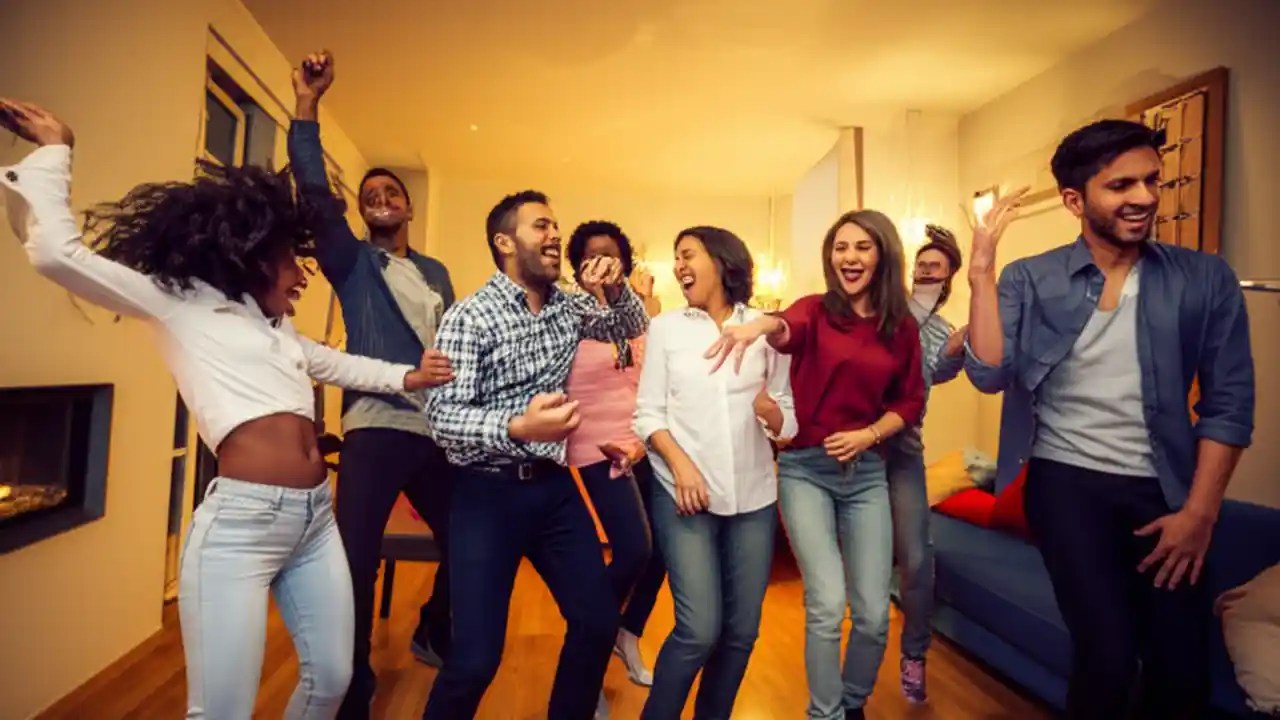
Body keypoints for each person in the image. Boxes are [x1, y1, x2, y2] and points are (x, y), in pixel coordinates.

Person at [0, 98, 452, 720]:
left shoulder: (279, 333)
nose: (302, 277)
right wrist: (56, 149)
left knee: (331, 681)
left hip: (314, 521)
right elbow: (59, 255)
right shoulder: (180, 304)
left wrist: (409, 374)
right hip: (242, 528)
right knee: (223, 711)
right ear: (255, 254)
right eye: (295, 263)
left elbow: (344, 365)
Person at [964, 119, 1255, 720]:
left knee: (1181, 668)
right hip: (1064, 484)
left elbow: (1229, 402)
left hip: (1168, 491)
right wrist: (982, 274)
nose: (1145, 197)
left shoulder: (1205, 279)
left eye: (1152, 180)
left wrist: (1199, 515)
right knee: (1108, 654)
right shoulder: (1031, 277)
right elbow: (990, 373)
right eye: (1121, 185)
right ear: (1076, 200)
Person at [421, 191, 647, 720]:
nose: (554, 236)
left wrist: (614, 287)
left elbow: (624, 326)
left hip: (552, 488)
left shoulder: (568, 305)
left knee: (595, 622)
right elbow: (442, 419)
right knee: (475, 660)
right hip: (485, 495)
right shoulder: (469, 317)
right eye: (541, 226)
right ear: (505, 243)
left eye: (555, 226)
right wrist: (518, 426)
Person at [287, 51, 458, 718]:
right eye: (370, 197)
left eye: (391, 194)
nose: (381, 201)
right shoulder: (351, 261)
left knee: (473, 541)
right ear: (361, 213)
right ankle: (352, 686)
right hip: (373, 428)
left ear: (408, 205)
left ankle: (433, 629)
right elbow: (313, 192)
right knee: (353, 561)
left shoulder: (439, 271)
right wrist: (308, 105)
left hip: (434, 429)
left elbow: (449, 349)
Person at [708, 210, 925, 720]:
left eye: (862, 247)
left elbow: (911, 401)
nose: (848, 257)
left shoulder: (901, 326)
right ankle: (824, 715)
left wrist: (871, 433)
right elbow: (786, 327)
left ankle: (851, 705)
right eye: (840, 247)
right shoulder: (815, 310)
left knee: (873, 615)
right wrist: (757, 325)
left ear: (883, 255)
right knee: (827, 603)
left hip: (867, 475)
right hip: (806, 471)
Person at [634, 226, 797, 720]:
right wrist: (681, 466)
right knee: (699, 628)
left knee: (742, 632)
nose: (679, 266)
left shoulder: (766, 330)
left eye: (688, 255)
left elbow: (789, 417)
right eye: (676, 257)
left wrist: (773, 414)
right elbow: (647, 414)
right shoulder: (666, 328)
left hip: (754, 497)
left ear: (722, 262)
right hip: (684, 496)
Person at [563, 221, 666, 694]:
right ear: (577, 265)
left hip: (642, 439)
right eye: (591, 256)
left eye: (612, 256)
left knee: (662, 548)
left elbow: (651, 377)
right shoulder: (569, 310)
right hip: (592, 445)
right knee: (632, 549)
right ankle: (590, 643)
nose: (602, 264)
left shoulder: (640, 314)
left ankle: (626, 632)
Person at [887, 223, 967, 703]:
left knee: (917, 559)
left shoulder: (941, 331)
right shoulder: (886, 314)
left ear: (949, 275)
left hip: (905, 452)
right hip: (859, 449)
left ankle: (914, 655)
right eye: (920, 264)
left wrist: (957, 352)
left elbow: (941, 373)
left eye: (935, 266)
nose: (924, 271)